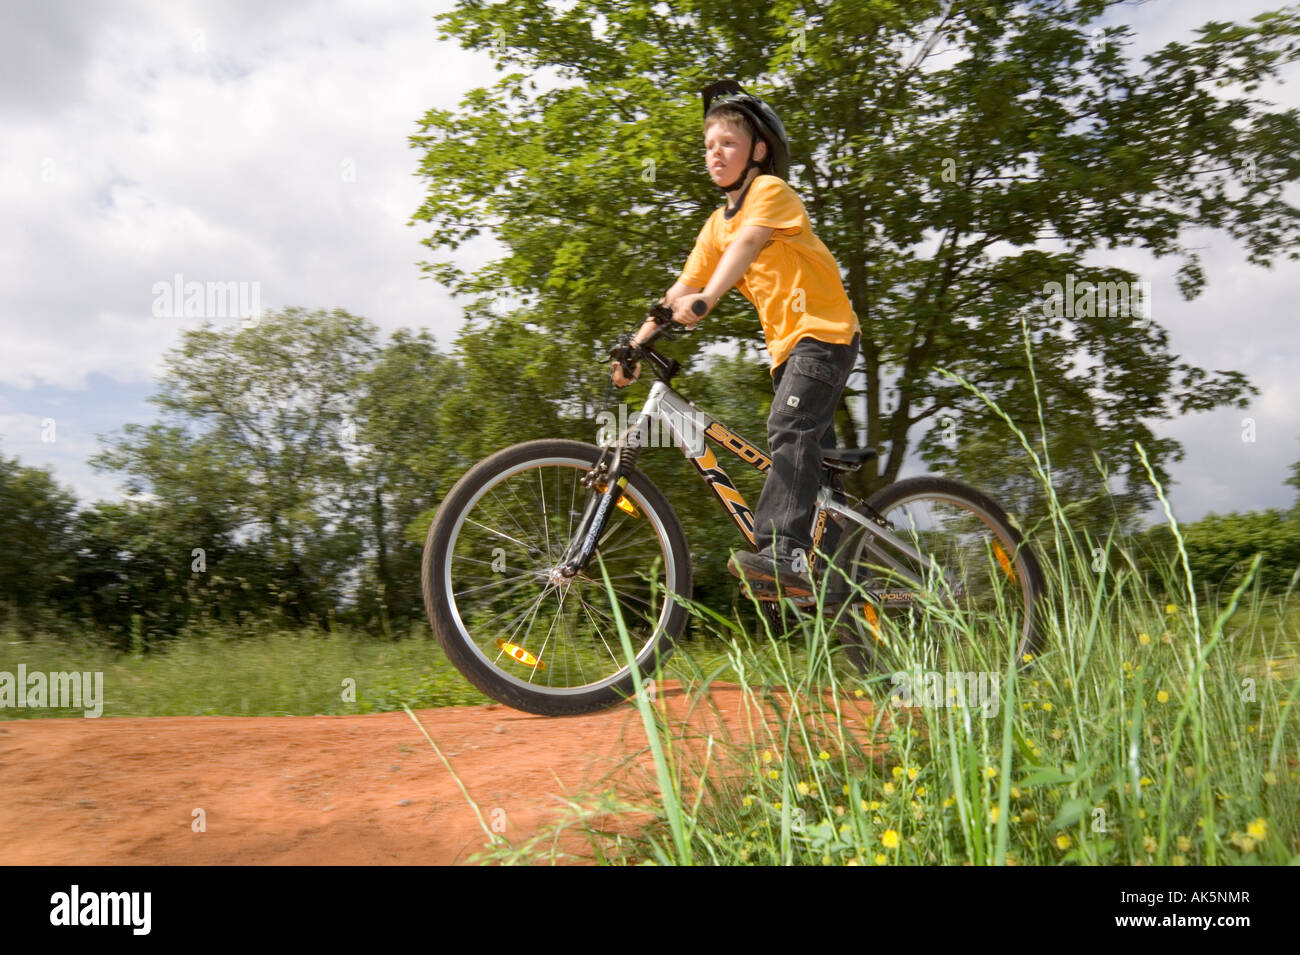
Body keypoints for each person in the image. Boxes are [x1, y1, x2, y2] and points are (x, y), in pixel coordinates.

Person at [610, 79, 861, 599]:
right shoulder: (713, 225)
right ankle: (841, 585)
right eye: (708, 146)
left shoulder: (769, 193)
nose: (714, 154)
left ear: (758, 151)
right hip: (788, 352)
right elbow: (683, 285)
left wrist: (708, 301)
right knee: (815, 474)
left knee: (789, 426)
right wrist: (637, 343)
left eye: (727, 143)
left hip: (824, 335)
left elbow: (744, 249)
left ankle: (781, 552)